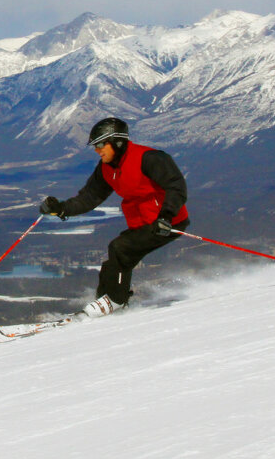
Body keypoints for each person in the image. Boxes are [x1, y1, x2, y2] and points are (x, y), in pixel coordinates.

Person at [39, 117, 189, 317]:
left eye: (101, 144)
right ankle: (106, 302)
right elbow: (90, 197)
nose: (97, 150)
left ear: (117, 142)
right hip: (143, 223)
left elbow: (176, 186)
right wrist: (61, 209)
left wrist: (167, 216)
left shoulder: (149, 158)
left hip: (165, 222)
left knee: (120, 248)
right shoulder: (107, 168)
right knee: (112, 265)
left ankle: (116, 302)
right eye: (95, 146)